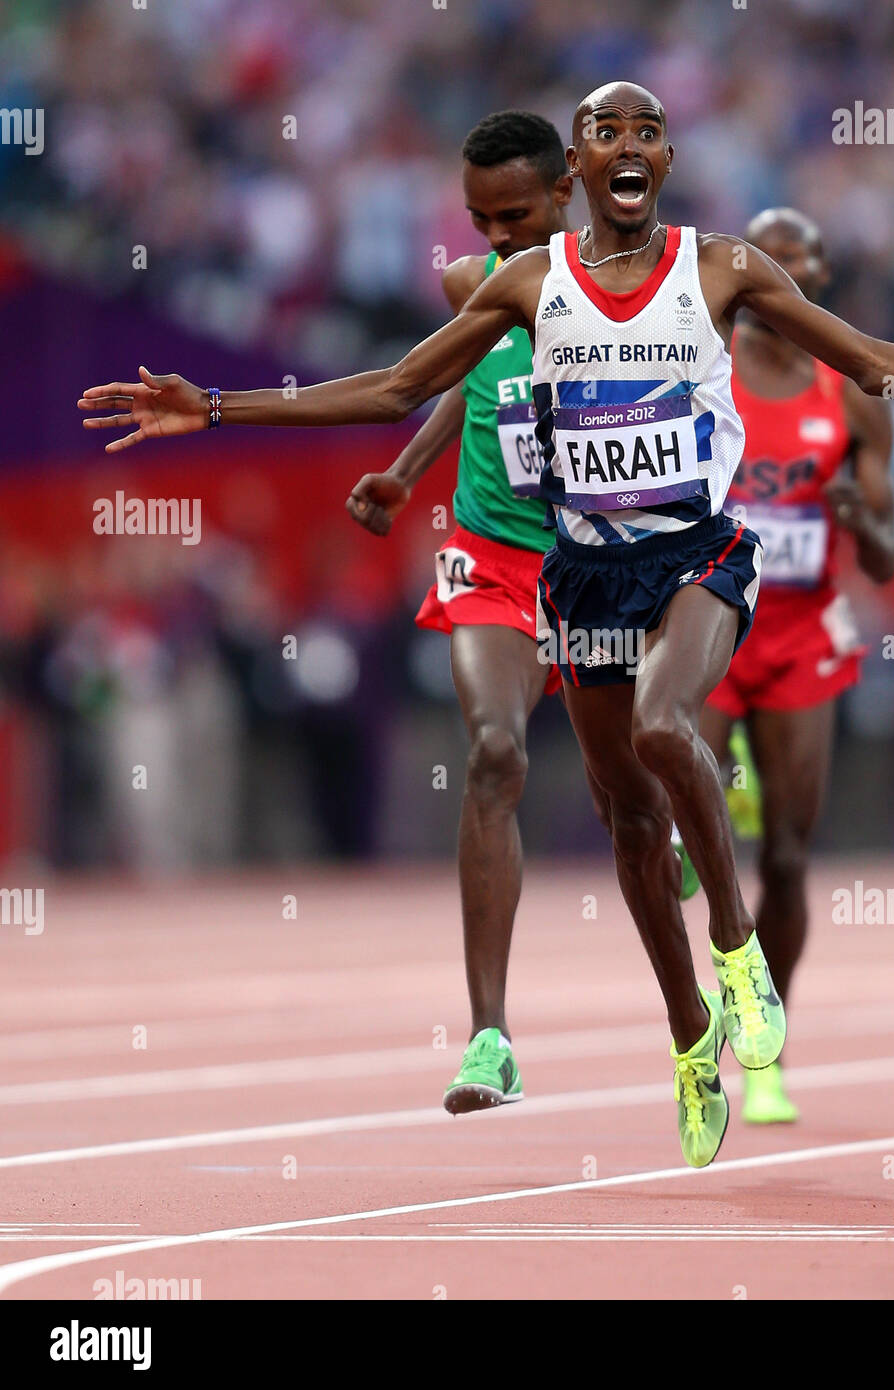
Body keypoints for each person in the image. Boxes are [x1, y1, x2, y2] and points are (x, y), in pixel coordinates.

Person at [79, 88, 894, 1169]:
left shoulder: (723, 266)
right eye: (607, 132)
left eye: (646, 129)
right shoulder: (527, 280)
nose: (629, 146)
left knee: (662, 726)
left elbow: (872, 361)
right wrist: (213, 407)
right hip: (585, 574)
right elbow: (395, 389)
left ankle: (739, 951)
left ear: (663, 154)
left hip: (698, 552)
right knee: (630, 825)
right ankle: (690, 1030)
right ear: (580, 165)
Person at [346, 110, 572, 1114]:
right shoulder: (473, 288)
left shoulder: (631, 296)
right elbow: (467, 381)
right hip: (490, 558)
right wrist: (402, 473)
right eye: (479, 220)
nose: (493, 243)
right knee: (493, 752)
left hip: (604, 563)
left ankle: (683, 838)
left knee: (644, 775)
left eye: (515, 217)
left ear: (564, 197)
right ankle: (490, 1034)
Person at [693, 208, 894, 1126]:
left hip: (801, 638)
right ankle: (712, 797)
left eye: (806, 264)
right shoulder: (702, 370)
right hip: (707, 622)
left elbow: (887, 557)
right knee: (676, 820)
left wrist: (860, 518)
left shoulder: (848, 391)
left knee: (785, 855)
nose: (790, 278)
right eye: (774, 263)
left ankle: (765, 1052)